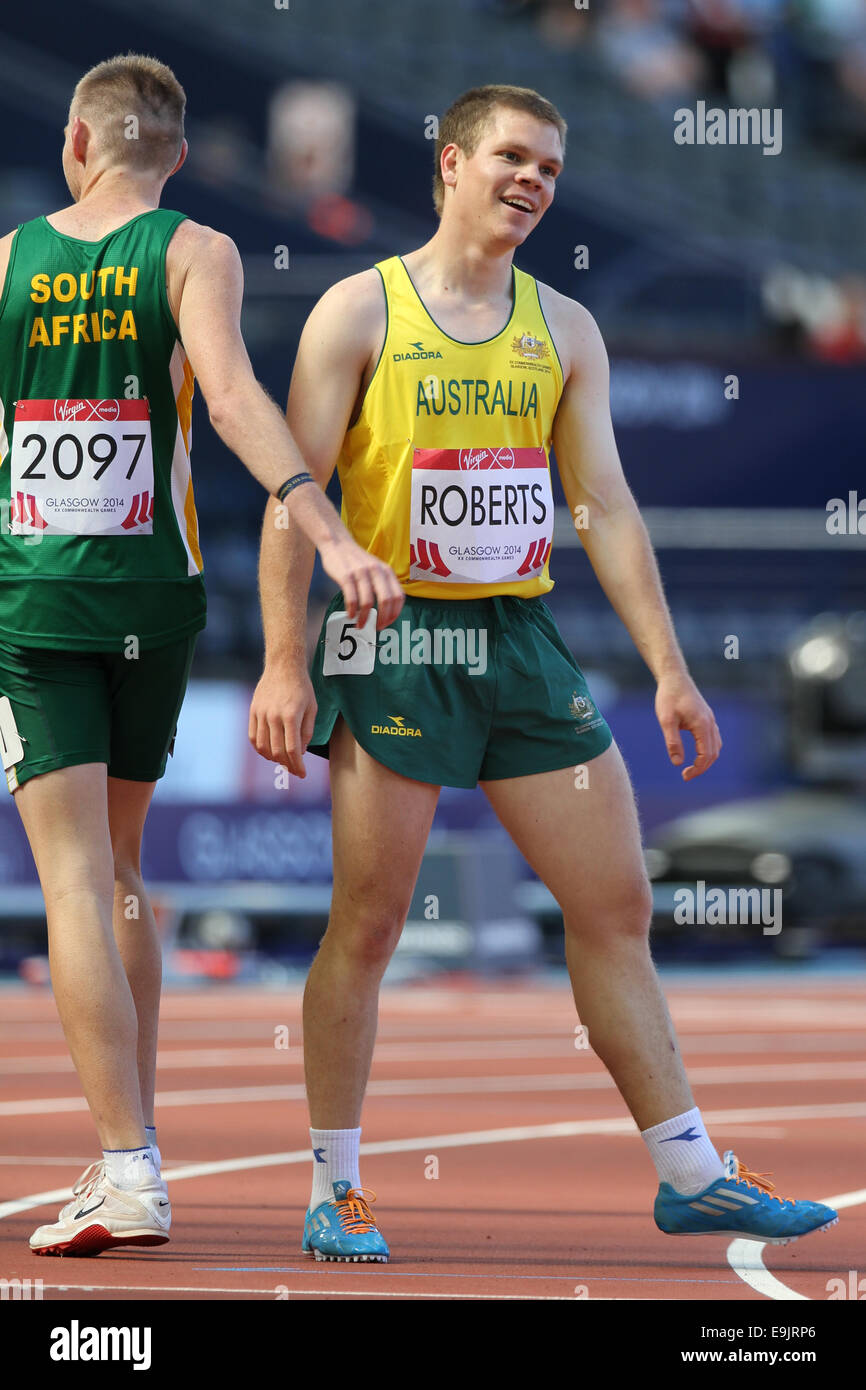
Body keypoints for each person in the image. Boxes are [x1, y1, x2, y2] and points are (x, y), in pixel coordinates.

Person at [249, 83, 837, 1262]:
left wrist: (669, 670)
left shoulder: (563, 326)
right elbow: (289, 501)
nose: (532, 179)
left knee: (614, 906)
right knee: (366, 923)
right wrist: (280, 664)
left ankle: (688, 1173)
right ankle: (337, 1186)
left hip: (518, 638)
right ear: (451, 164)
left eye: (551, 168)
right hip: (399, 640)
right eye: (512, 157)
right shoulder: (356, 312)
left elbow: (603, 505)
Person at [0, 53, 403, 1258]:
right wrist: (321, 525)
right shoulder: (196, 249)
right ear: (174, 156)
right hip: (155, 599)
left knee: (72, 881)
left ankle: (129, 1165)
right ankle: (134, 1148)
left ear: (76, 141)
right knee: (122, 872)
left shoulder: (13, 258)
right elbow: (229, 397)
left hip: (33, 603)